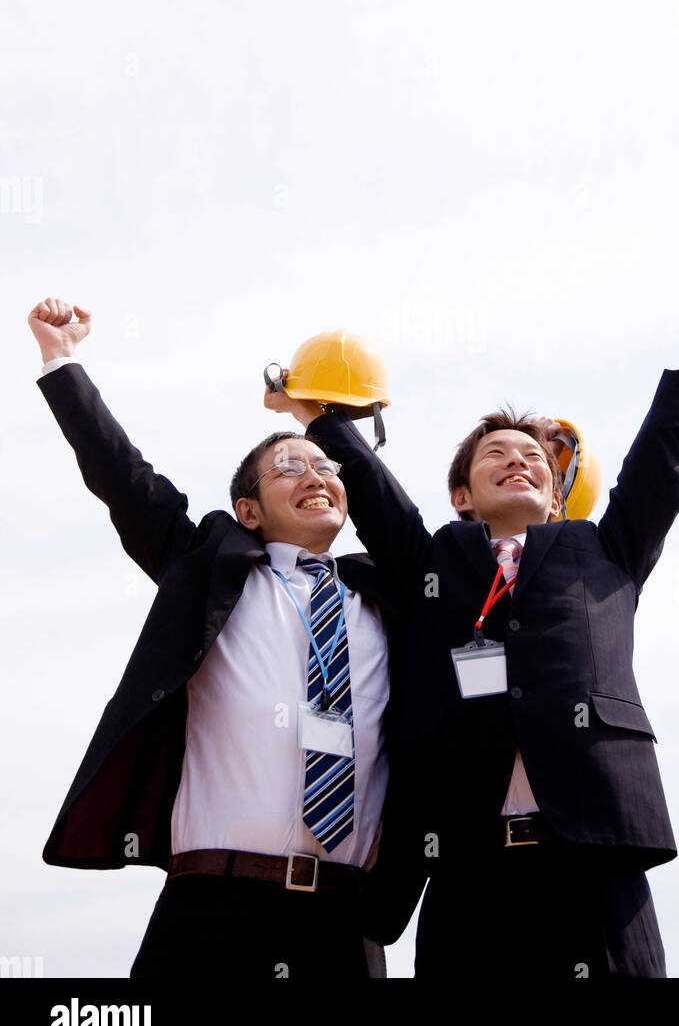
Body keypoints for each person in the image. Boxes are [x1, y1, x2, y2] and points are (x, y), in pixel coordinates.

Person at [276, 303, 679, 978]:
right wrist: (314, 415)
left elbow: (658, 467)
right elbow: (377, 499)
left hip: (593, 862)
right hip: (467, 869)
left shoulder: (604, 551)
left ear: (556, 500)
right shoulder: (434, 562)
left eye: (534, 460)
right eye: (495, 455)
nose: (517, 462)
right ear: (462, 495)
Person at [28, 297, 404, 980]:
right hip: (213, 913)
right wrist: (62, 359)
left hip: (344, 927)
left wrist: (316, 417)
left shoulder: (392, 599)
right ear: (248, 510)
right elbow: (125, 478)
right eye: (289, 466)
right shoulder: (211, 570)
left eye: (327, 468)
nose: (315, 475)